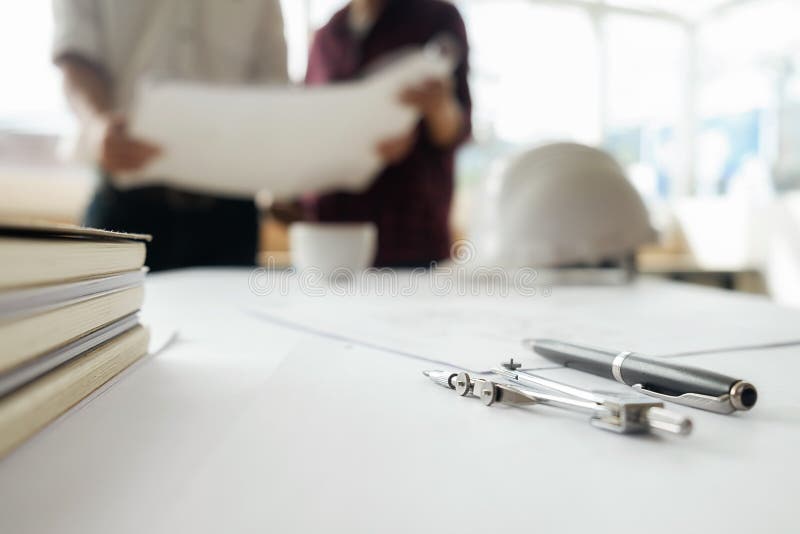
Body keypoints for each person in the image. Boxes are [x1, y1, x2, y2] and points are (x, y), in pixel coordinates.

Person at [52, 0, 288, 271]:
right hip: (125, 201)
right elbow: (75, 53)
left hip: (230, 213)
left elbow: (273, 81)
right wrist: (97, 123)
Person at [303, 0, 472, 267]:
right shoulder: (328, 34)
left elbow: (457, 130)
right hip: (331, 234)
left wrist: (438, 108)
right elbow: (308, 120)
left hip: (410, 234)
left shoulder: (437, 17)